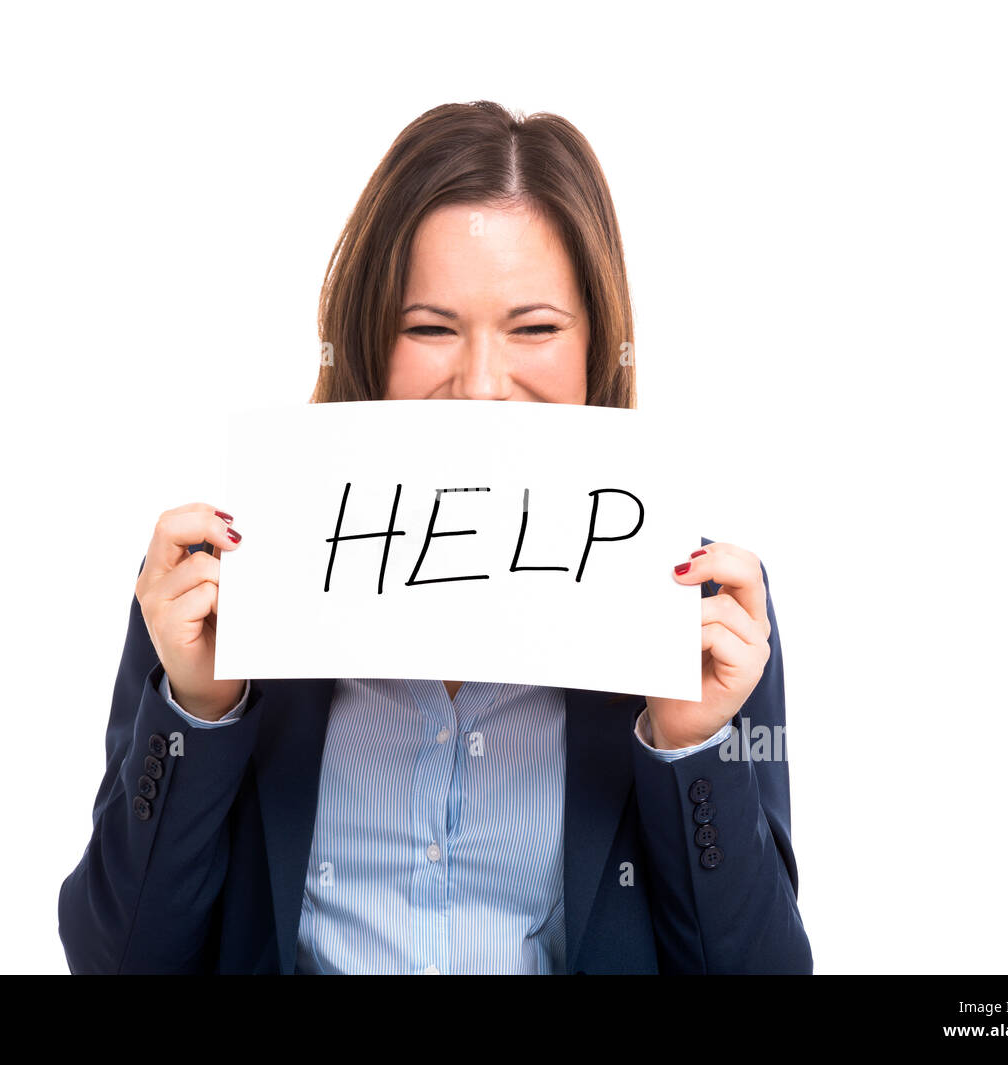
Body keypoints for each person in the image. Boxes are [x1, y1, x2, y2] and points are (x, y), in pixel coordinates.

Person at [57, 100, 812, 974]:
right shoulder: (222, 588)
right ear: (368, 344)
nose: (482, 386)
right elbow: (116, 961)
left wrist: (691, 746)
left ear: (600, 347)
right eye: (429, 328)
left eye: (534, 328)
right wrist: (199, 711)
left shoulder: (695, 614)